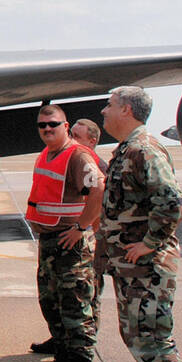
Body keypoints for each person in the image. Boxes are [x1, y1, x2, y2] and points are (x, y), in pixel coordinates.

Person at [99, 86, 182, 362]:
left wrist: (149, 244)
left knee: (152, 341)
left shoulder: (143, 149)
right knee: (138, 338)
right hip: (131, 269)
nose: (103, 111)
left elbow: (171, 202)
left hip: (148, 270)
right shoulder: (128, 149)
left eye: (109, 105)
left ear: (127, 110)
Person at [24, 104, 103, 362]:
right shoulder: (47, 154)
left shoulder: (77, 156)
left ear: (65, 125)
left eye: (53, 124)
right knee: (52, 304)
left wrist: (82, 227)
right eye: (42, 125)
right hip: (50, 243)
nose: (47, 129)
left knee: (75, 310)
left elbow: (98, 190)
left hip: (71, 246)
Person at [70, 118, 110, 337]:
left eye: (77, 137)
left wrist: (84, 229)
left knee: (88, 295)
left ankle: (86, 340)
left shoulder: (96, 166)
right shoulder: (74, 162)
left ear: (92, 141)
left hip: (90, 242)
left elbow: (99, 206)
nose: (71, 141)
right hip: (77, 239)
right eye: (71, 135)